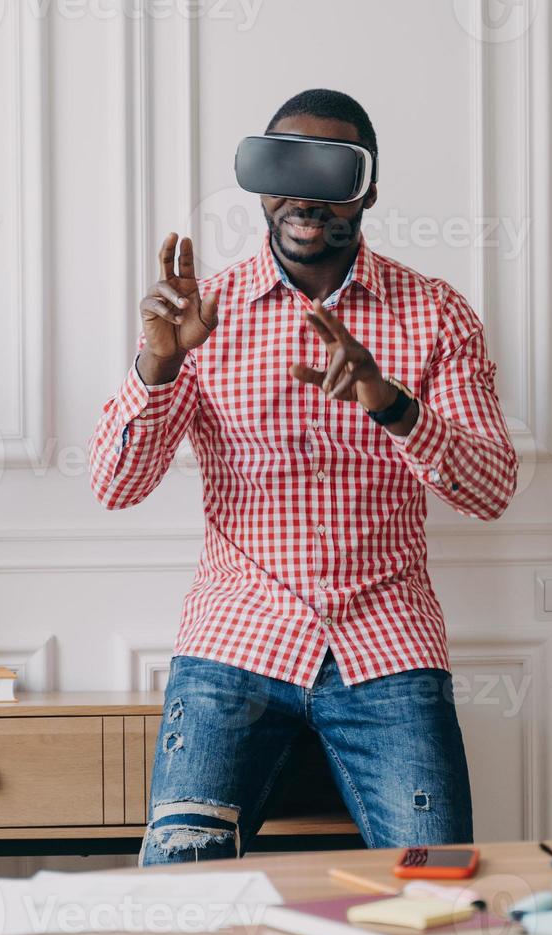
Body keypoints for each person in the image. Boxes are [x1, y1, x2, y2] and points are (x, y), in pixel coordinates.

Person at [88, 89, 518, 864]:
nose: (307, 196)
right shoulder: (203, 313)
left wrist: (389, 403)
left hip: (388, 642)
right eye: (287, 167)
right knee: (179, 892)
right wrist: (159, 362)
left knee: (440, 883)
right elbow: (115, 484)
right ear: (260, 181)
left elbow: (491, 489)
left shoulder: (436, 314)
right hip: (234, 642)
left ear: (369, 192)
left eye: (332, 173)